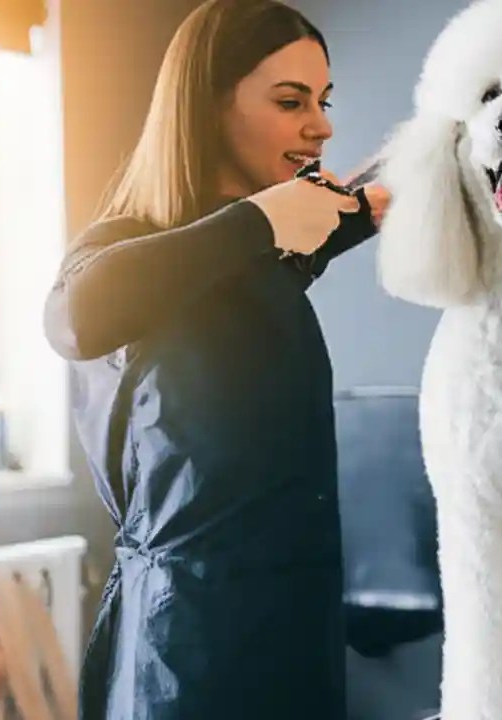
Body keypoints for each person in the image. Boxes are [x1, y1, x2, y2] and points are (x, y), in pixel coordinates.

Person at [41, 0, 390, 717]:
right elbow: (76, 319)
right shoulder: (128, 245)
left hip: (296, 633)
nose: (320, 125)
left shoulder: (263, 267)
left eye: (323, 102)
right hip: (186, 652)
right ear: (207, 105)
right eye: (291, 101)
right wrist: (266, 218)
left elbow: (362, 202)